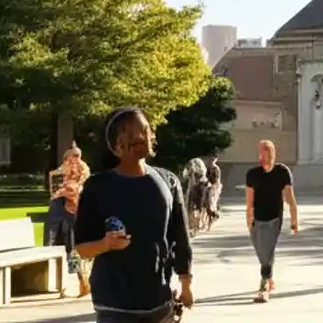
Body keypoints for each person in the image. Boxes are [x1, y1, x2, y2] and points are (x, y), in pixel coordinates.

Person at [74, 107, 194, 322]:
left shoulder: (169, 182)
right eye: (132, 134)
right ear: (114, 144)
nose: (142, 138)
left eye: (145, 131)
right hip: (114, 305)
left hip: (159, 301)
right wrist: (106, 244)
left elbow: (181, 238)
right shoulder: (97, 187)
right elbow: (82, 248)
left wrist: (185, 284)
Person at [245, 139, 299, 303]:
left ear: (273, 153)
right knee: (262, 253)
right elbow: (249, 201)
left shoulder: (282, 172)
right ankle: (269, 278)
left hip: (274, 218)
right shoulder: (252, 174)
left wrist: (294, 221)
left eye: (266, 151)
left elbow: (290, 199)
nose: (262, 155)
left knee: (267, 252)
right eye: (260, 151)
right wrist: (249, 219)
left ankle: (264, 286)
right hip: (256, 220)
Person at [46, 142, 91, 296]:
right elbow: (55, 188)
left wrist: (69, 189)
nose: (73, 159)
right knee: (52, 243)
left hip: (73, 210)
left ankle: (81, 282)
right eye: (70, 156)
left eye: (76, 156)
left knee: (72, 247)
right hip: (59, 209)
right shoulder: (61, 170)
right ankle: (59, 284)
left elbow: (81, 187)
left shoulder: (84, 170)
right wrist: (61, 190)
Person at [204, 155, 222, 225]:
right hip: (207, 186)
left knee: (211, 201)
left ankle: (214, 213)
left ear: (216, 160)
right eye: (211, 159)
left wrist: (215, 187)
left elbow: (218, 179)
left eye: (213, 159)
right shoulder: (207, 168)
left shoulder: (216, 168)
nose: (212, 160)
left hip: (214, 187)